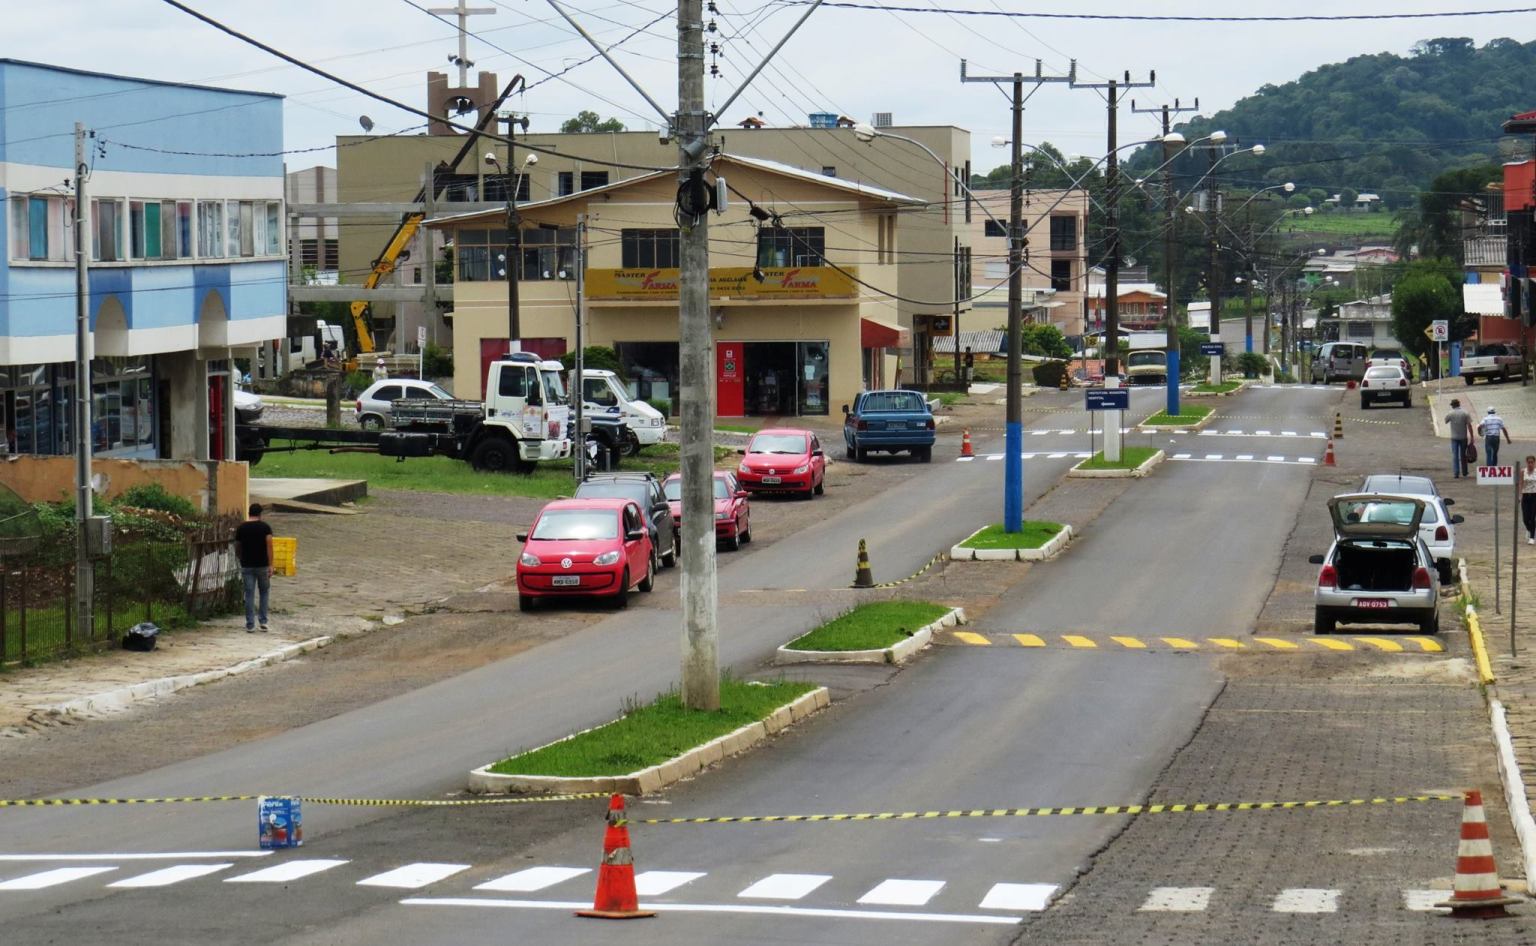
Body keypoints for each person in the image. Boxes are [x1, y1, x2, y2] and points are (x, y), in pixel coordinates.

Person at [234, 503, 274, 632]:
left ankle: (250, 624)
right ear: (260, 514)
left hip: (247, 565)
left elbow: (237, 546)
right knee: (264, 592)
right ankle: (263, 621)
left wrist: (241, 558)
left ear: (249, 513)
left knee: (249, 594)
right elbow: (269, 546)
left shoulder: (241, 528)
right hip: (262, 565)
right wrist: (271, 564)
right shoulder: (265, 528)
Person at [1445, 398, 1472, 478]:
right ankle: (1464, 472)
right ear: (1459, 404)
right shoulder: (1465, 413)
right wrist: (1472, 436)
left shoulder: (1450, 413)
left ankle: (1456, 473)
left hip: (1454, 437)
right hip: (1463, 437)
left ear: (1452, 405)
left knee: (1455, 455)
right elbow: (1469, 425)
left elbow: (1446, 421)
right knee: (1463, 455)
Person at [1522, 456, 1536, 545]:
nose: (1530, 464)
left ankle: (1532, 537)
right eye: (1529, 462)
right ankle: (1529, 529)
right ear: (1526, 462)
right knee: (1525, 518)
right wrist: (1520, 495)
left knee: (1532, 517)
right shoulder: (1523, 471)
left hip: (1534, 495)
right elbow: (1520, 483)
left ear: (1534, 463)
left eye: (1532, 462)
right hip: (1525, 495)